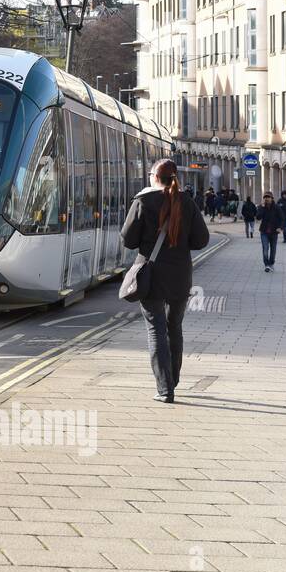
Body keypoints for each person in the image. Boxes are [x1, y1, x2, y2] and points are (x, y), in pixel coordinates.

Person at [121, 159, 210, 404]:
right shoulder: (187, 202)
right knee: (174, 327)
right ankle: (173, 380)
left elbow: (128, 240)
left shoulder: (143, 201)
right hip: (180, 275)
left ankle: (164, 388)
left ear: (154, 177)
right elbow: (201, 240)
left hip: (151, 275)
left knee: (156, 329)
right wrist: (180, 246)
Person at [255, 191, 283, 272]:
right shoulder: (261, 207)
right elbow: (258, 217)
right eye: (265, 197)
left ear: (272, 198)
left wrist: (280, 227)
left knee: (273, 249)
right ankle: (266, 264)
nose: (267, 199)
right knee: (265, 248)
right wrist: (262, 208)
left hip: (274, 232)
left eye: (268, 197)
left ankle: (271, 263)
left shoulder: (277, 207)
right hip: (264, 231)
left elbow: (282, 218)